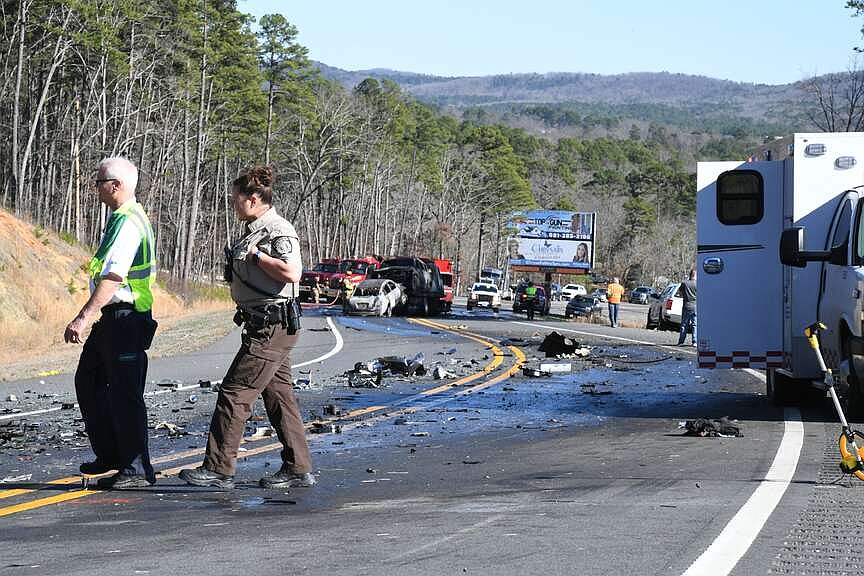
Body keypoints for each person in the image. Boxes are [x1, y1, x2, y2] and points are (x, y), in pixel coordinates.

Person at [180, 166, 314, 490]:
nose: (233, 205)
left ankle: (218, 469)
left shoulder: (277, 230)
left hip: (272, 326)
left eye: (236, 199)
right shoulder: (254, 229)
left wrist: (256, 258)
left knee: (234, 394)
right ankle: (298, 467)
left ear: (253, 200)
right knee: (279, 397)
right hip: (267, 325)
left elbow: (292, 272)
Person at [65, 157, 158, 489]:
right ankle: (111, 454)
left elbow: (114, 276)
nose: (97, 187)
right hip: (114, 319)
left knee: (125, 393)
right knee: (88, 380)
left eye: (100, 182)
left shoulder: (129, 221)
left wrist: (83, 317)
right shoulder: (119, 218)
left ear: (116, 184)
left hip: (127, 318)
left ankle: (136, 467)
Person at [678, 269, 697, 346]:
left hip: (686, 305)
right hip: (695, 306)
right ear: (695, 275)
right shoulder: (698, 284)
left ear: (690, 274)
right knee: (694, 324)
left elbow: (680, 293)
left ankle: (681, 341)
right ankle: (694, 341)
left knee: (684, 324)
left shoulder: (684, 283)